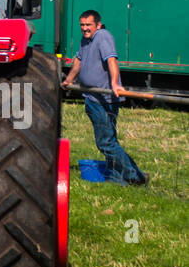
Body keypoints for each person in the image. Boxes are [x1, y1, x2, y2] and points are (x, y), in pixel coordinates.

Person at [62, 10, 147, 186]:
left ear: (98, 25)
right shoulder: (85, 40)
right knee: (109, 140)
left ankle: (136, 177)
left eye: (88, 25)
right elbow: (78, 60)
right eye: (82, 25)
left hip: (104, 99)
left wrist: (115, 84)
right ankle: (118, 179)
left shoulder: (103, 36)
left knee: (106, 142)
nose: (85, 29)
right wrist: (69, 79)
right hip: (92, 97)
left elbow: (112, 61)